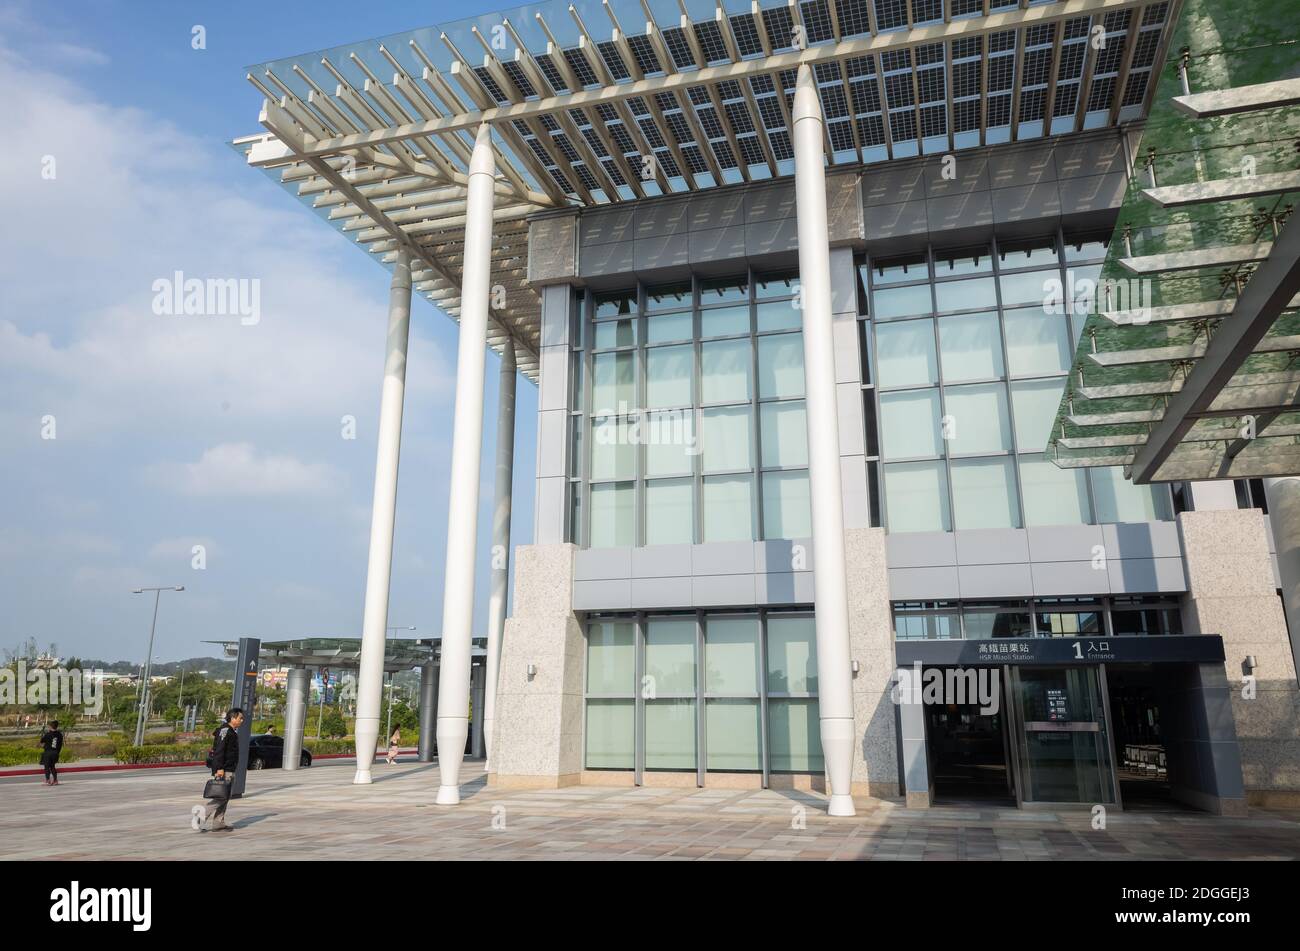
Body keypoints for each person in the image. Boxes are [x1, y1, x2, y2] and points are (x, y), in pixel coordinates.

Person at [193, 707, 244, 833]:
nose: (242, 720)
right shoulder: (225, 730)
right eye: (240, 718)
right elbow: (219, 751)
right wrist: (219, 768)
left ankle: (218, 823)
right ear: (233, 718)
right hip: (224, 769)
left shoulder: (231, 731)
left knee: (225, 796)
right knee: (221, 796)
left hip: (230, 768)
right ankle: (200, 815)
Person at [38, 720, 64, 786]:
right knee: (52, 766)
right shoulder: (59, 735)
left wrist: (42, 745)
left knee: (47, 766)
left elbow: (41, 742)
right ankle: (55, 780)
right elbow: (60, 744)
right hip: (55, 753)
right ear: (57, 726)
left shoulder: (47, 734)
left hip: (48, 752)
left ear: (50, 726)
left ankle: (48, 780)